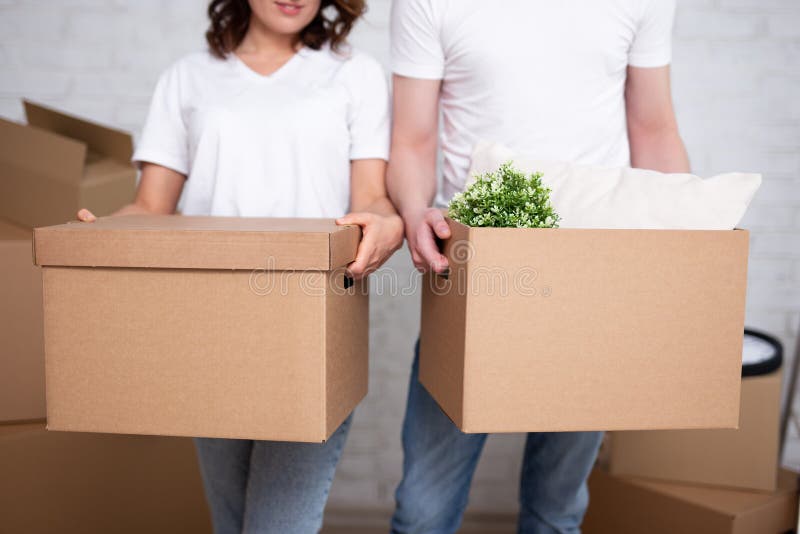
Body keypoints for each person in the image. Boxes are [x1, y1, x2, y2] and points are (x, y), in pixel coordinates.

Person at [78, 0, 403, 532]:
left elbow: (372, 199)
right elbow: (150, 207)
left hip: (312, 324)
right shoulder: (188, 78)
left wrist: (387, 223)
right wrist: (103, 236)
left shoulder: (355, 74)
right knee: (231, 522)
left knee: (276, 525)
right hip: (210, 324)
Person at [387, 1, 690, 532]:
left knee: (556, 511)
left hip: (594, 276)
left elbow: (654, 130)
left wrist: (680, 253)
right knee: (422, 512)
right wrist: (415, 213)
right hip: (476, 276)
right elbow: (412, 139)